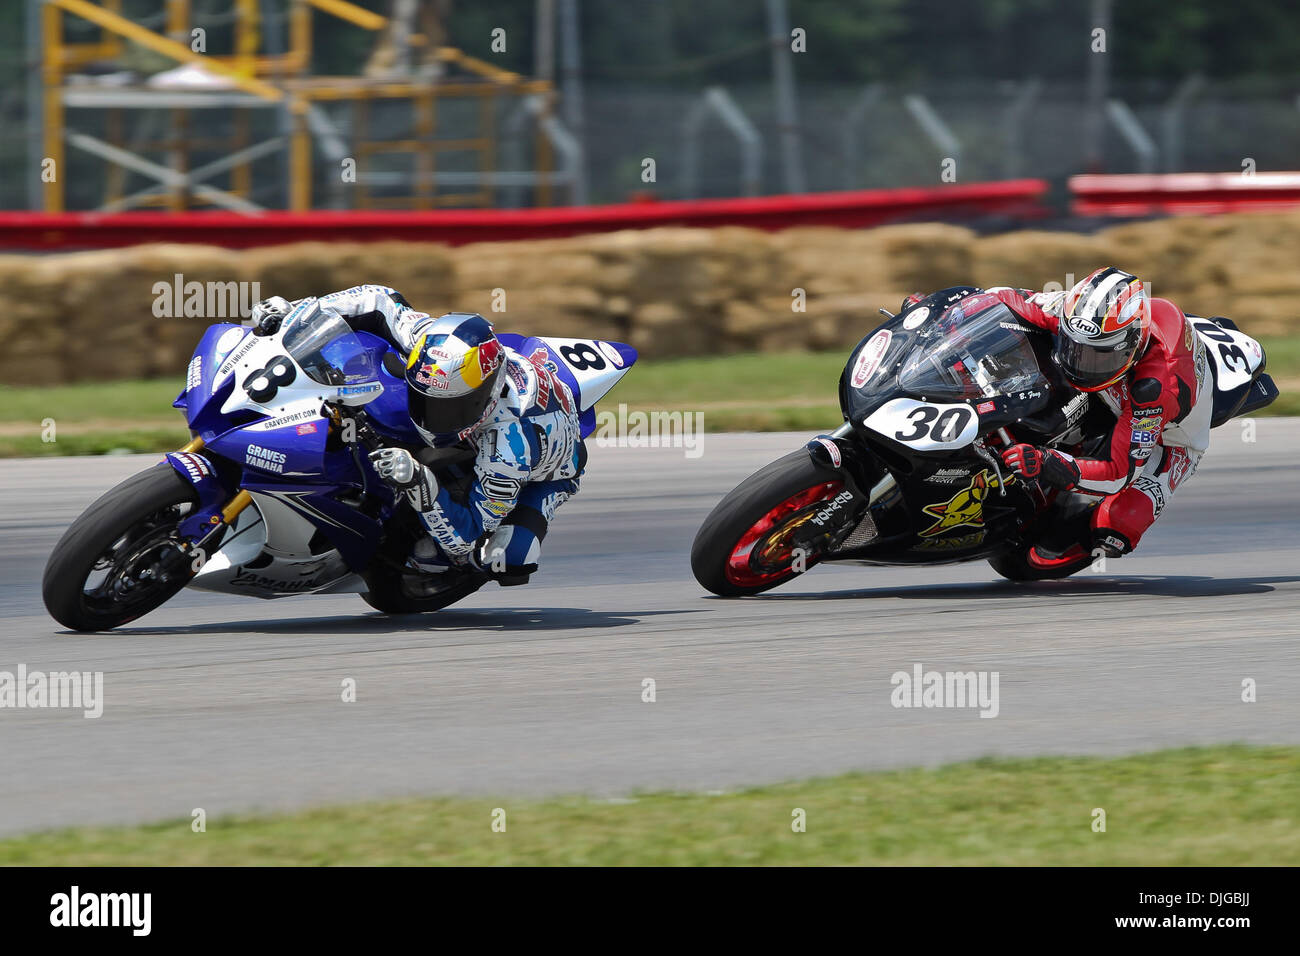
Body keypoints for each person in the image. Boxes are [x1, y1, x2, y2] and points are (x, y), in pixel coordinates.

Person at [250, 285, 583, 584]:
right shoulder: (430, 346)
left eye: (452, 408)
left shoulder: (510, 449)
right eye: (426, 399)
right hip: (491, 397)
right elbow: (378, 298)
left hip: (549, 469)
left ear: (487, 394)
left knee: (494, 557)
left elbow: (466, 534)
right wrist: (297, 310)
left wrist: (418, 480)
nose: (436, 417)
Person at [967, 268, 1213, 569]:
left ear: (1133, 345)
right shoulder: (1077, 316)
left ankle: (1079, 533)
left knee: (1118, 525)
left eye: (1100, 356)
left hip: (1169, 439)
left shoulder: (1155, 388)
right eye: (1075, 349)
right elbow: (1000, 300)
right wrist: (942, 316)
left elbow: (1118, 474)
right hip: (1110, 392)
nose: (1082, 364)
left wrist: (1047, 462)